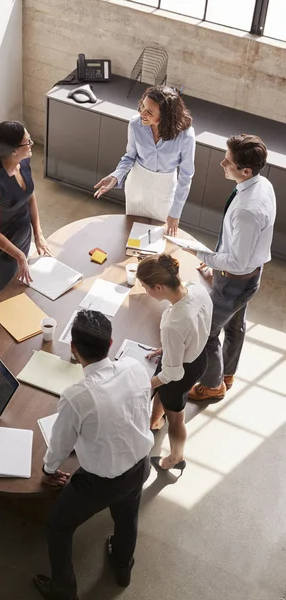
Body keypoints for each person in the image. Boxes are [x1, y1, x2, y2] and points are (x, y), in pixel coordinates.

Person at [33, 310, 153, 600]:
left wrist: (49, 471)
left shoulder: (77, 395)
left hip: (101, 483)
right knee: (126, 516)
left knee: (58, 525)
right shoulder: (134, 367)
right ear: (111, 343)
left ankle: (64, 590)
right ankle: (122, 566)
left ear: (73, 349)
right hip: (141, 465)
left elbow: (60, 445)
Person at [186, 134, 276, 402]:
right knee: (235, 326)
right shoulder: (262, 184)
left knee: (205, 333)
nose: (221, 163)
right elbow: (241, 252)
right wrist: (218, 262)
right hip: (248, 276)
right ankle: (228, 373)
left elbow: (237, 262)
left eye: (228, 161)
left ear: (246, 170)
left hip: (235, 281)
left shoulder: (248, 211)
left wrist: (203, 254)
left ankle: (213, 385)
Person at [136, 254, 212, 473]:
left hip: (181, 372)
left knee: (176, 417)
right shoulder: (197, 289)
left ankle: (176, 457)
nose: (144, 290)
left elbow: (172, 374)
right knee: (165, 396)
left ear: (158, 287)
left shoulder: (173, 325)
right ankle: (153, 421)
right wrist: (170, 349)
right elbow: (196, 327)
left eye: (145, 286)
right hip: (198, 356)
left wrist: (144, 385)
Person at [94, 85, 195, 236]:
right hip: (137, 185)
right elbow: (129, 156)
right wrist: (116, 176)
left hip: (164, 190)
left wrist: (175, 212)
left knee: (156, 238)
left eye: (149, 111)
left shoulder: (185, 135)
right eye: (142, 107)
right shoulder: (135, 124)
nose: (142, 113)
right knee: (131, 234)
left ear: (166, 115)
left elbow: (186, 175)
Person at [0, 121, 52, 306]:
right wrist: (19, 255)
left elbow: (29, 197)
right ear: (14, 150)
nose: (32, 143)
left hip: (22, 237)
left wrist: (38, 234)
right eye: (27, 142)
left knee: (15, 286)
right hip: (1, 248)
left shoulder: (23, 162)